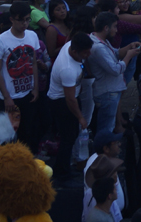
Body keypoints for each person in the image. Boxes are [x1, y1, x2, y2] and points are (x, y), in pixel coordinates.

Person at [0, 1, 42, 150]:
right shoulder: (0, 41)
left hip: (27, 94)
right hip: (9, 97)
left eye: (27, 19)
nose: (25, 23)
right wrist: (7, 97)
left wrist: (35, 88)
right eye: (21, 20)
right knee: (6, 139)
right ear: (12, 19)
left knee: (27, 134)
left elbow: (33, 63)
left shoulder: (32, 36)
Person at [47, 32, 93, 181]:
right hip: (62, 102)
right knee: (68, 138)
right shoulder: (67, 70)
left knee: (71, 136)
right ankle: (62, 172)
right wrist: (80, 118)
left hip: (69, 97)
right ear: (74, 51)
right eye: (85, 52)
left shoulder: (70, 45)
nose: (88, 54)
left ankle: (66, 166)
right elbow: (70, 99)